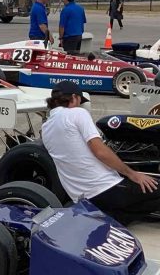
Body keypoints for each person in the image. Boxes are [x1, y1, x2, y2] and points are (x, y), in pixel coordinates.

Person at [41, 81, 159, 222]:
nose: (80, 105)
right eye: (80, 101)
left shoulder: (46, 129)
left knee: (146, 204)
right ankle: (112, 215)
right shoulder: (77, 113)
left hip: (83, 198)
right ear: (74, 97)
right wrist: (133, 174)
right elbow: (100, 152)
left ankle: (109, 217)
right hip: (107, 188)